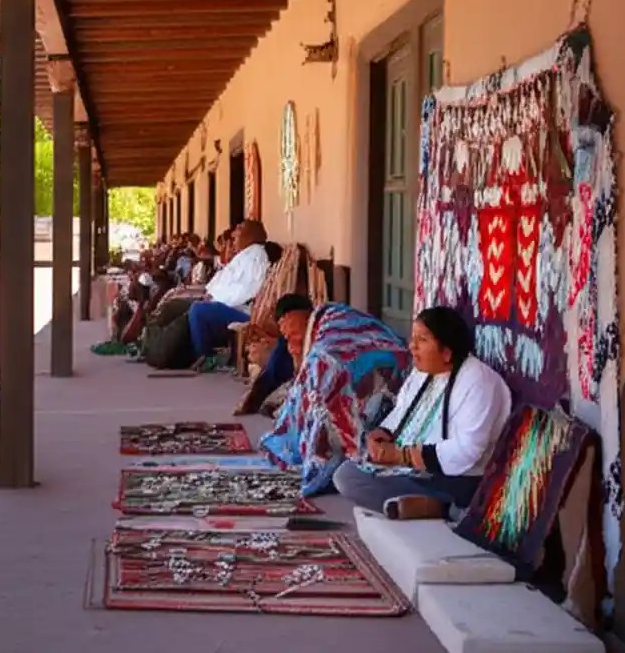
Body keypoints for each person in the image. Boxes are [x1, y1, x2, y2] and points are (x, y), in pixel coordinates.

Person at [332, 307, 512, 519]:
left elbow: (468, 452)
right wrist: (382, 434)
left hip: (455, 480)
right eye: (413, 338)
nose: (412, 347)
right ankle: (428, 505)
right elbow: (401, 412)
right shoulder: (422, 373)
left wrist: (402, 455)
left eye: (422, 340)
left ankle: (445, 507)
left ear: (447, 350)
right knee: (345, 473)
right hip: (416, 471)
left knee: (349, 478)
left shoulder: (478, 381)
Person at [258, 295, 412, 497]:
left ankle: (327, 457)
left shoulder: (334, 321)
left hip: (391, 380)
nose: (288, 335)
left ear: (292, 315)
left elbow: (326, 363)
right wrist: (298, 356)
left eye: (287, 327)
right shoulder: (316, 334)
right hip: (376, 386)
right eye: (285, 336)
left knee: (321, 389)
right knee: (311, 391)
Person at [185, 221, 271, 366]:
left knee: (198, 310)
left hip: (243, 311)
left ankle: (205, 357)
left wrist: (214, 300)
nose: (233, 235)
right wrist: (210, 295)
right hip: (228, 304)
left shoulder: (256, 256)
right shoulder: (245, 255)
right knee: (183, 306)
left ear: (250, 234)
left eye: (239, 229)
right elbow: (223, 281)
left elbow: (247, 291)